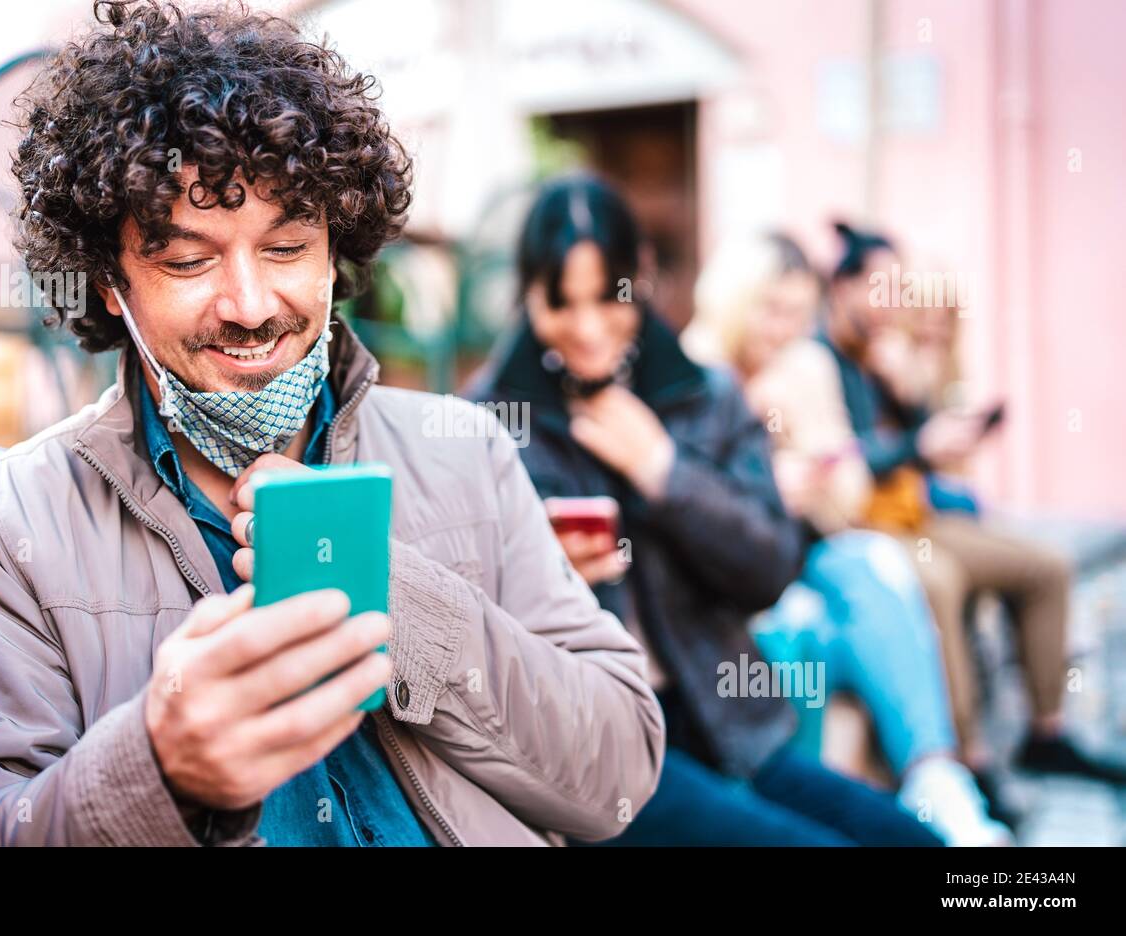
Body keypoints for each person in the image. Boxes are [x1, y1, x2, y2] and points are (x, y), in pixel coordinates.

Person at [0, 1, 664, 847]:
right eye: (188, 259)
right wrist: (155, 769)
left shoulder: (468, 449)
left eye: (288, 246)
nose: (252, 305)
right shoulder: (6, 525)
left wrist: (402, 605)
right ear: (110, 284)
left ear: (338, 252)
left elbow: (620, 772)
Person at [468, 175, 941, 846]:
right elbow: (465, 620)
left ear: (643, 277)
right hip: (599, 751)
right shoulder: (486, 419)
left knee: (920, 843)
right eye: (560, 304)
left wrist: (664, 470)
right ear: (527, 297)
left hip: (727, 721)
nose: (588, 328)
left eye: (609, 298)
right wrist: (541, 564)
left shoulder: (704, 395)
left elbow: (770, 565)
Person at [683, 232, 1010, 845]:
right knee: (806, 628)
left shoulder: (806, 368)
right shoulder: (694, 376)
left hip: (808, 546)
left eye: (797, 314)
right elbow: (692, 517)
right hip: (739, 576)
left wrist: (815, 467)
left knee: (873, 562)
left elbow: (852, 496)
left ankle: (936, 775)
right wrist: (765, 488)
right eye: (771, 310)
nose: (784, 328)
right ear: (732, 303)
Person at [820, 220, 1126, 808]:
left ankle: (1047, 733)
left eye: (899, 289)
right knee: (941, 579)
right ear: (844, 287)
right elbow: (845, 462)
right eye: (881, 288)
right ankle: (968, 762)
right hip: (862, 530)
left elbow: (915, 449)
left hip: (915, 518)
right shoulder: (818, 361)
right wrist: (918, 443)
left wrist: (910, 392)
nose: (893, 303)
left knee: (1045, 566)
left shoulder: (878, 358)